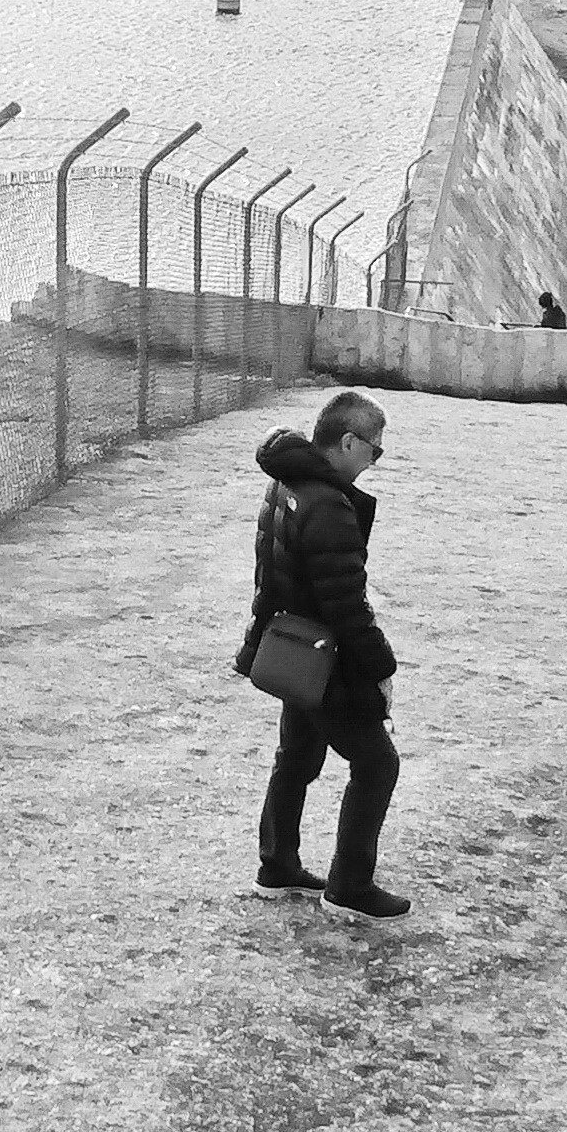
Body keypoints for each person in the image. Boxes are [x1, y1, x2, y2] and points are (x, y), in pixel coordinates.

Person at [242, 391, 410, 919]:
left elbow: (272, 575)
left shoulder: (285, 480)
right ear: (348, 441)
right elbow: (346, 606)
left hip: (291, 647)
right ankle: (350, 887)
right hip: (323, 654)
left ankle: (277, 865)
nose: (375, 461)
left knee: (296, 756)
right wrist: (380, 667)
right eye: (374, 450)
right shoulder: (329, 504)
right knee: (377, 764)